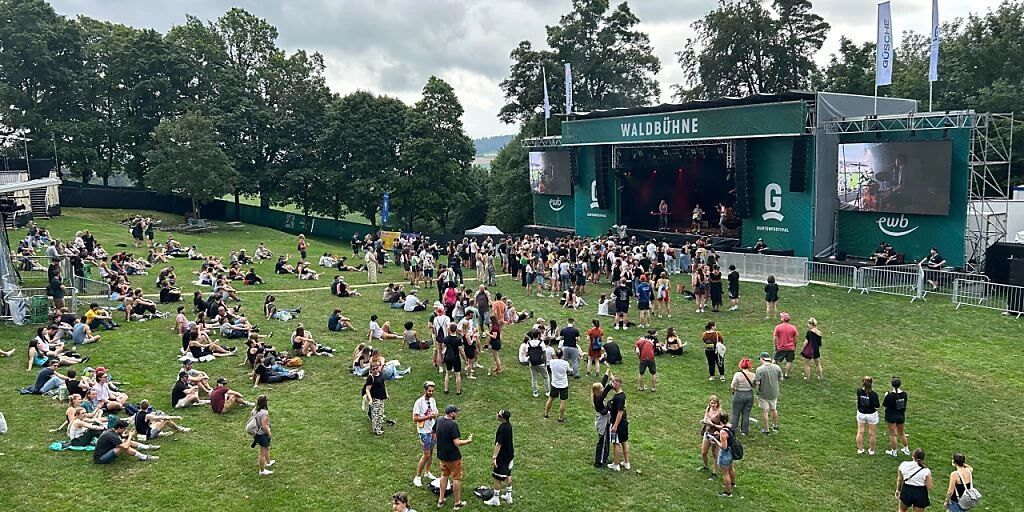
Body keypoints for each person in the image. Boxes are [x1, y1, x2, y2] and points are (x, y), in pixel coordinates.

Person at [434, 405, 473, 510]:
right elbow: (457, 442)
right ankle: (457, 503)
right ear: (451, 413)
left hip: (442, 455)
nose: (457, 414)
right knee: (456, 478)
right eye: (456, 412)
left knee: (444, 475)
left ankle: (441, 500)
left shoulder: (439, 420)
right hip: (453, 457)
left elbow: (433, 433)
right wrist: (467, 441)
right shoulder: (452, 425)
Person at [484, 409, 515, 507]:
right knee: (508, 475)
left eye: (499, 414)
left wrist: (494, 457)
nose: (497, 415)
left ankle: (496, 499)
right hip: (509, 454)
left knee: (497, 478)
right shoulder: (509, 426)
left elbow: (499, 444)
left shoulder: (502, 428)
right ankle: (509, 496)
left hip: (502, 457)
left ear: (502, 417)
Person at [94, 419, 160, 464]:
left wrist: (127, 436)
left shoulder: (113, 431)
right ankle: (144, 457)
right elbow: (125, 447)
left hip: (107, 451)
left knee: (125, 441)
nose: (125, 429)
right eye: (124, 428)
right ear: (119, 428)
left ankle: (147, 447)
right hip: (101, 458)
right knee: (123, 447)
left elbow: (121, 439)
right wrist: (130, 436)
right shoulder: (111, 435)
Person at [412, 381, 439, 488]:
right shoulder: (419, 402)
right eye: (429, 391)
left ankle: (427, 472)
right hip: (424, 432)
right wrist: (428, 417)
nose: (431, 393)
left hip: (432, 430)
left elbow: (435, 412)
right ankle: (417, 477)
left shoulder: (432, 401)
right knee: (426, 455)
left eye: (432, 391)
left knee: (431, 452)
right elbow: (415, 418)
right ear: (425, 390)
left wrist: (435, 415)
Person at [606, 375, 631, 471]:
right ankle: (626, 462)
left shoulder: (618, 398)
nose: (611, 384)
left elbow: (620, 413)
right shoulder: (622, 395)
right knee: (624, 441)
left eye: (613, 383)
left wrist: (615, 425)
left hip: (617, 424)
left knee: (616, 443)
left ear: (617, 385)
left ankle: (616, 464)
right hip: (624, 423)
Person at [755, 351, 783, 434]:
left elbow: (757, 383)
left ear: (762, 358)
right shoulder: (777, 367)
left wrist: (757, 390)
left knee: (765, 411)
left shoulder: (759, 369)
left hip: (763, 394)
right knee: (773, 409)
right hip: (774, 393)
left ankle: (766, 430)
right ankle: (775, 426)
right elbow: (781, 379)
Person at [883, 376, 911, 457]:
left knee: (893, 434)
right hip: (901, 415)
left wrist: (886, 396)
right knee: (902, 433)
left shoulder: (890, 395)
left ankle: (894, 451)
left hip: (891, 416)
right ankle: (906, 449)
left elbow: (885, 405)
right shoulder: (904, 394)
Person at [699, 395, 725, 478]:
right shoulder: (708, 409)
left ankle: (715, 472)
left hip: (716, 435)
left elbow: (723, 426)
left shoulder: (720, 413)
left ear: (718, 403)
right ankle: (706, 466)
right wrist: (704, 421)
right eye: (712, 403)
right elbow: (706, 418)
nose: (713, 405)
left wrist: (712, 424)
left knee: (715, 454)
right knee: (704, 452)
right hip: (707, 433)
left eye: (715, 403)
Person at [855, 375, 881, 455]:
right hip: (871, 415)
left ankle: (860, 449)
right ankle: (871, 450)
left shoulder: (859, 391)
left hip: (861, 413)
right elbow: (877, 406)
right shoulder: (874, 395)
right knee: (872, 434)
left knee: (860, 432)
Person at [249, 395, 275, 475]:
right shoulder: (264, 413)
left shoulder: (254, 410)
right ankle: (262, 470)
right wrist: (269, 433)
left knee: (266, 448)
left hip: (257, 433)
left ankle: (268, 462)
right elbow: (264, 426)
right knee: (262, 453)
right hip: (262, 434)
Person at [364, 361, 392, 436]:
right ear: (371, 369)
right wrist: (370, 399)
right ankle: (376, 430)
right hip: (375, 398)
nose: (375, 370)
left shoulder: (381, 374)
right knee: (375, 415)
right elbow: (367, 389)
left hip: (381, 398)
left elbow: (384, 384)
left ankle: (378, 428)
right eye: (373, 369)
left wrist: (386, 394)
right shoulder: (370, 378)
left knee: (381, 413)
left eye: (376, 368)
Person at [730, 357, 756, 436]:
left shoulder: (738, 374)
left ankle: (733, 429)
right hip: (749, 394)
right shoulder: (753, 375)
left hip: (739, 394)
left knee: (735, 413)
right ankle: (744, 430)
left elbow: (732, 385)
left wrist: (735, 389)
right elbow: (754, 386)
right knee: (746, 413)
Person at [544, 348, 571, 422]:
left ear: (556, 354)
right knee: (563, 401)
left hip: (555, 383)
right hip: (563, 384)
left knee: (550, 399)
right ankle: (560, 417)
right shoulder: (565, 363)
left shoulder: (552, 362)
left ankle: (546, 413)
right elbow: (568, 370)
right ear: (562, 355)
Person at [716, 411, 737, 497]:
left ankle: (728, 492)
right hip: (731, 452)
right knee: (731, 468)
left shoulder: (723, 432)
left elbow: (723, 446)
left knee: (725, 473)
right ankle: (732, 483)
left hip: (725, 454)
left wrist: (715, 440)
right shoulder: (730, 426)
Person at [772, 312, 798, 379]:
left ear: (782, 319)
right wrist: (794, 346)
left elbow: (775, 338)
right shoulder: (793, 328)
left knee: (775, 359)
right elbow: (796, 339)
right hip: (790, 348)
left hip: (780, 347)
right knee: (789, 361)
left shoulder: (778, 327)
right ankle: (786, 374)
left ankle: (773, 372)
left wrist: (775, 345)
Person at [442, 324, 465, 396]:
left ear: (449, 329)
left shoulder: (446, 338)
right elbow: (461, 351)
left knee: (447, 373)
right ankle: (458, 391)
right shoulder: (458, 340)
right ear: (456, 330)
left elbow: (443, 348)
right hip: (456, 358)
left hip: (448, 358)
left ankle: (446, 389)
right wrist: (465, 359)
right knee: (457, 374)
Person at [525, 330, 549, 398]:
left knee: (534, 378)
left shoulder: (528, 343)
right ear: (538, 335)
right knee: (546, 377)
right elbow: (544, 355)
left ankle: (535, 392)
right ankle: (547, 391)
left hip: (532, 363)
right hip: (540, 363)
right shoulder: (541, 343)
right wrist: (545, 363)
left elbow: (526, 354)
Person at [801, 317, 824, 382]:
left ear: (811, 324)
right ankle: (820, 377)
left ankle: (807, 378)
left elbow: (806, 342)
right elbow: (819, 343)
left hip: (809, 350)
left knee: (807, 364)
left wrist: (803, 349)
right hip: (816, 350)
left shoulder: (809, 332)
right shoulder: (819, 333)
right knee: (818, 364)